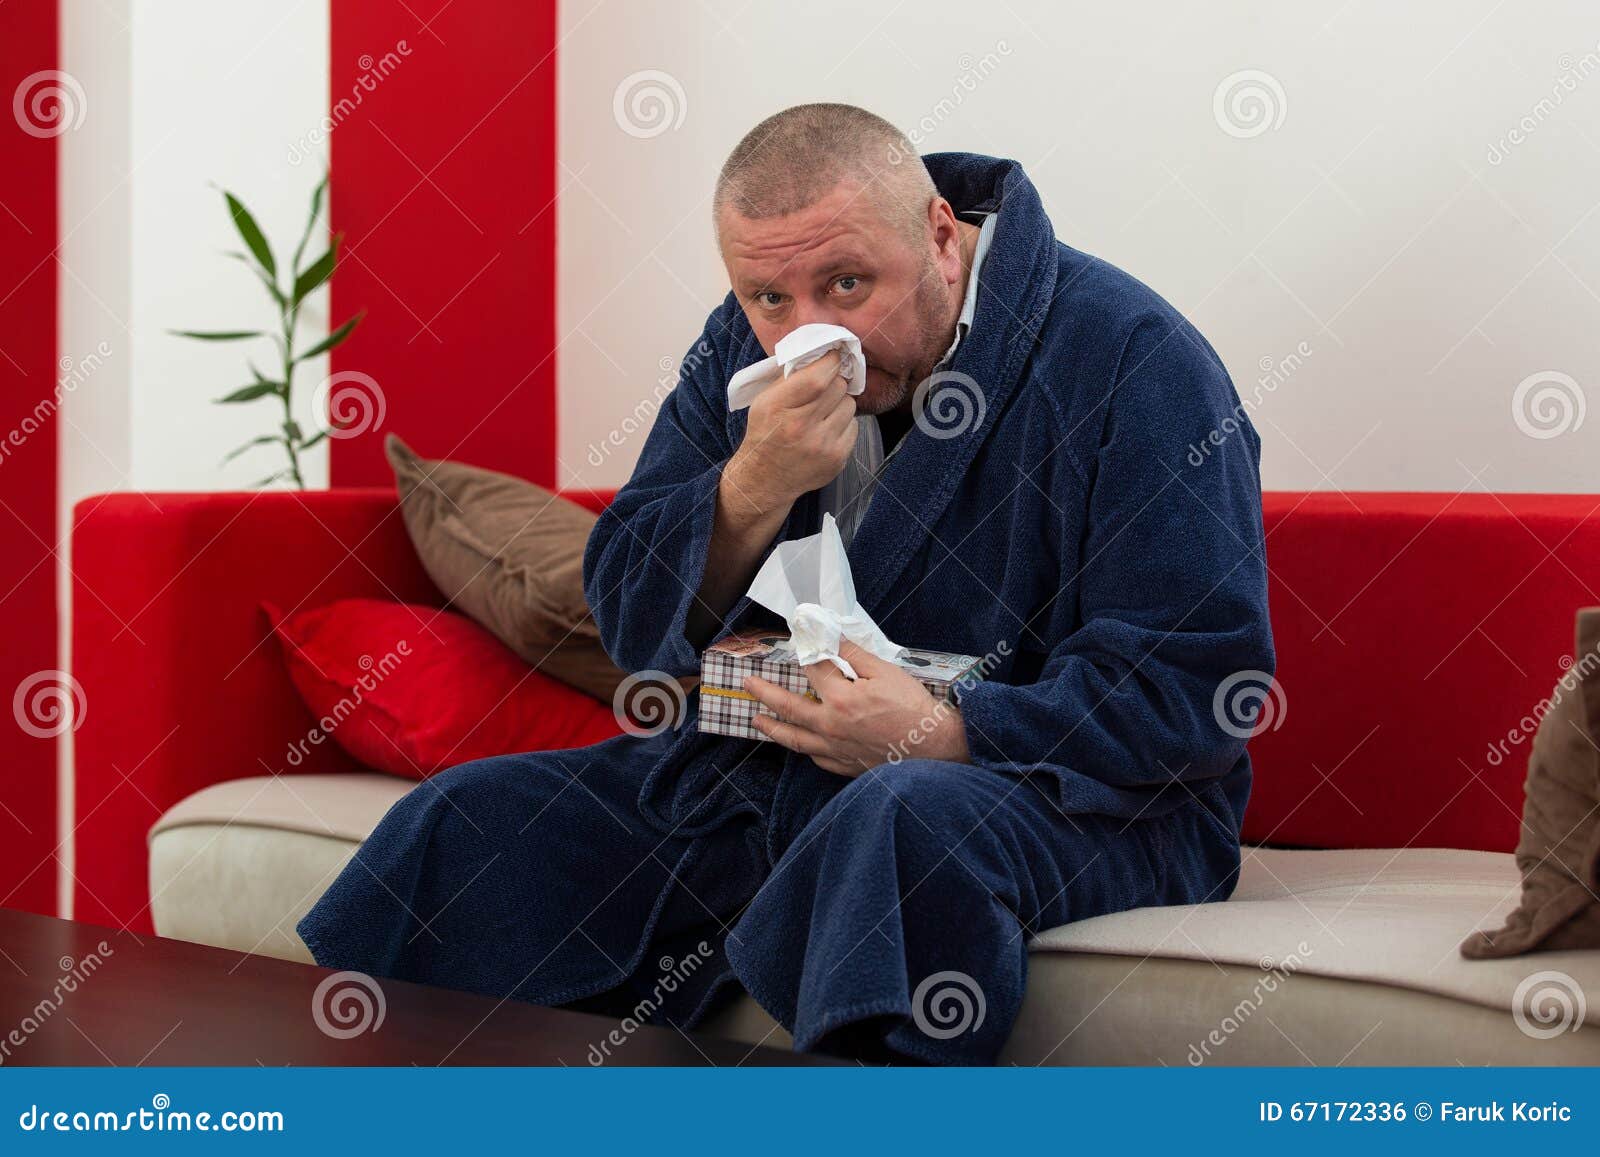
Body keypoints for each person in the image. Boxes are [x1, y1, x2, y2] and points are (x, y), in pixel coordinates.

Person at [297, 103, 1275, 1064]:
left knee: (899, 824)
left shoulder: (1137, 362)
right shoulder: (743, 341)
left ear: (940, 236)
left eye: (848, 284)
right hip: (780, 775)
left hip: (1087, 801)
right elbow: (632, 617)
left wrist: (947, 727)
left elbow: (1197, 689)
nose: (809, 336)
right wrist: (746, 487)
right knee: (471, 821)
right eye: (770, 300)